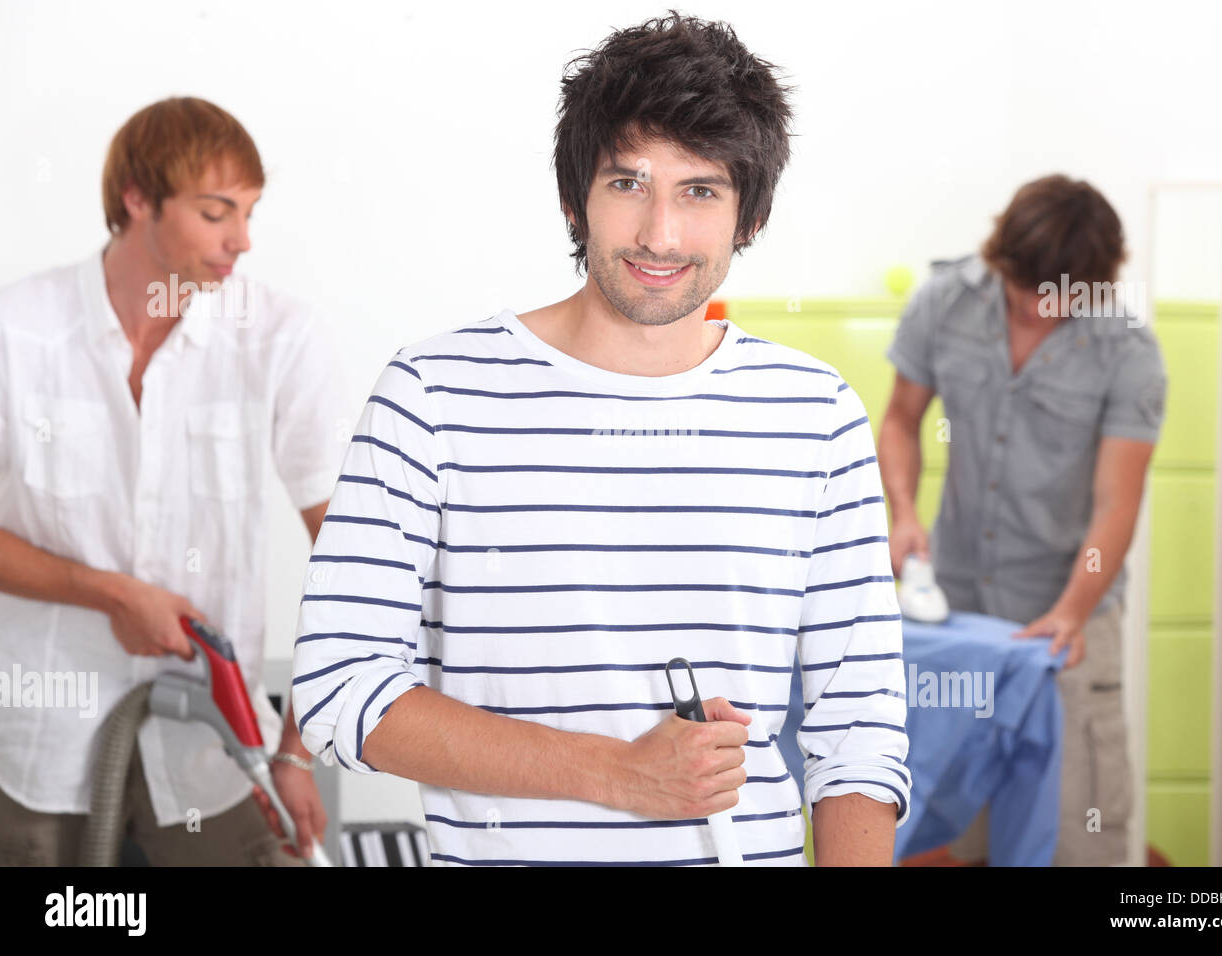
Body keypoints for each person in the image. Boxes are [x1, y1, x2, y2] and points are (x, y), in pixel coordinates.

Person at [290, 12, 910, 867]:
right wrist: (619, 773)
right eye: (627, 183)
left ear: (750, 215)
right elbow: (339, 686)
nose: (659, 234)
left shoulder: (816, 414)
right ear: (573, 195)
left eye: (701, 191)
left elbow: (860, 730)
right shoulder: (431, 395)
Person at [0, 97, 346, 865]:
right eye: (217, 212)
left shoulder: (280, 341)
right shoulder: (14, 334)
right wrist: (111, 593)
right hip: (35, 755)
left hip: (214, 754)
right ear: (136, 199)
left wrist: (294, 751)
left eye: (249, 213)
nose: (242, 242)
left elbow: (350, 559)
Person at [878, 174, 1167, 865]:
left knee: (1078, 838)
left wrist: (1073, 608)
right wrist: (903, 514)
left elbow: (1116, 503)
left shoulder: (1128, 351)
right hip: (958, 617)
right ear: (1000, 260)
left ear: (1095, 283)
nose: (1034, 311)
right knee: (935, 829)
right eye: (1021, 292)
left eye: (1054, 299)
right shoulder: (944, 302)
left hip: (1067, 629)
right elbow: (900, 420)